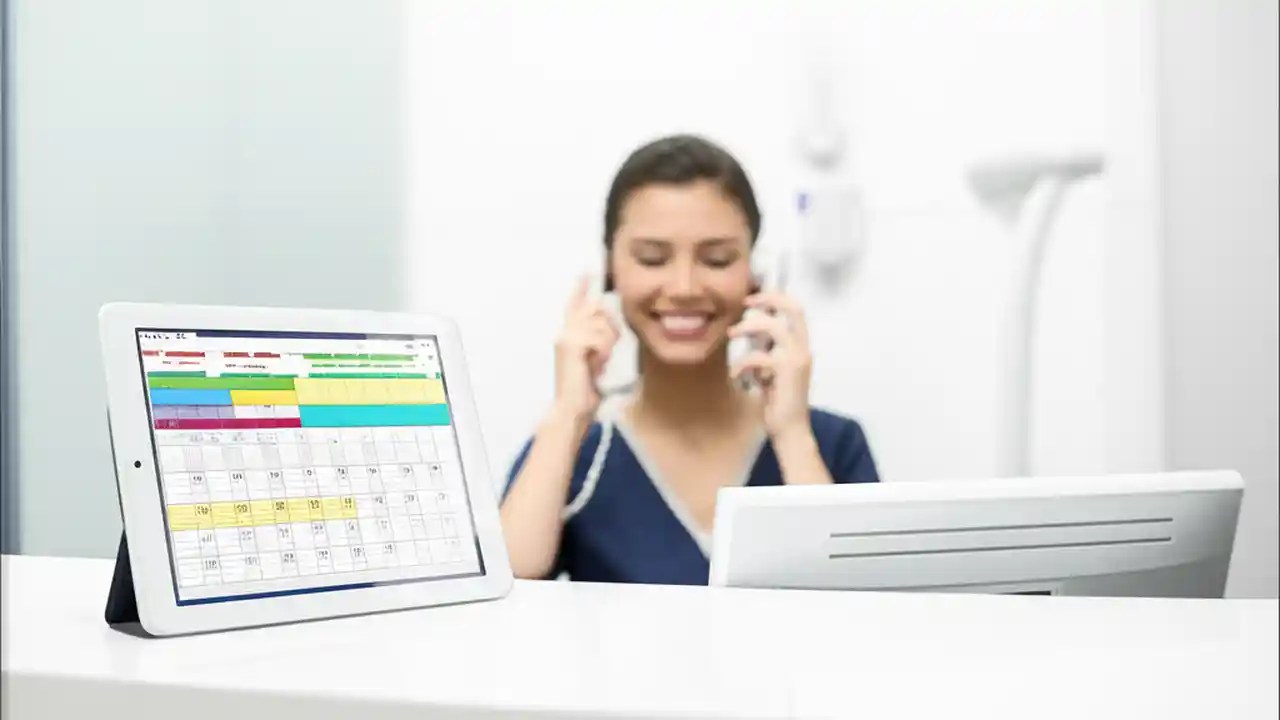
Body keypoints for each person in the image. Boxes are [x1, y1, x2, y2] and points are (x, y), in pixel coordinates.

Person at [500, 134, 878, 584]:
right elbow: (509, 584)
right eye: (652, 258)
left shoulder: (833, 445)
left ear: (756, 274)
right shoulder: (575, 451)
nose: (683, 287)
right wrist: (567, 413)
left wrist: (792, 434)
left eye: (716, 259)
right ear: (610, 271)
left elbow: (859, 605)